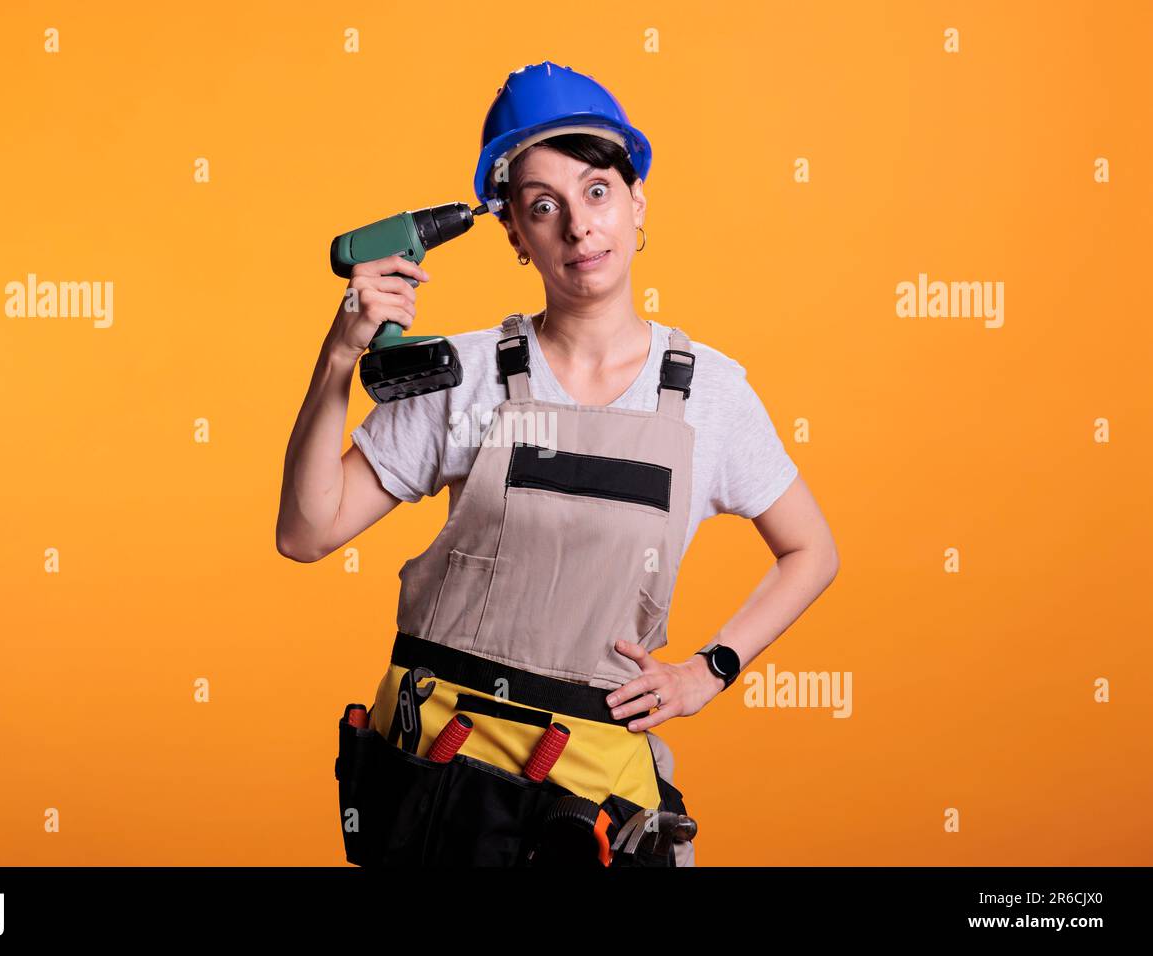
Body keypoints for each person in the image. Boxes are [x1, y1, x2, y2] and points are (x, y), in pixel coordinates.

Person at [277, 61, 839, 867]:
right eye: (544, 206)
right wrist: (339, 356)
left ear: (637, 199)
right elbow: (305, 532)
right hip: (436, 778)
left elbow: (812, 551)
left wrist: (708, 671)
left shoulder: (710, 394)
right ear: (512, 231)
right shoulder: (465, 374)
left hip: (588, 800)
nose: (579, 227)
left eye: (597, 191)